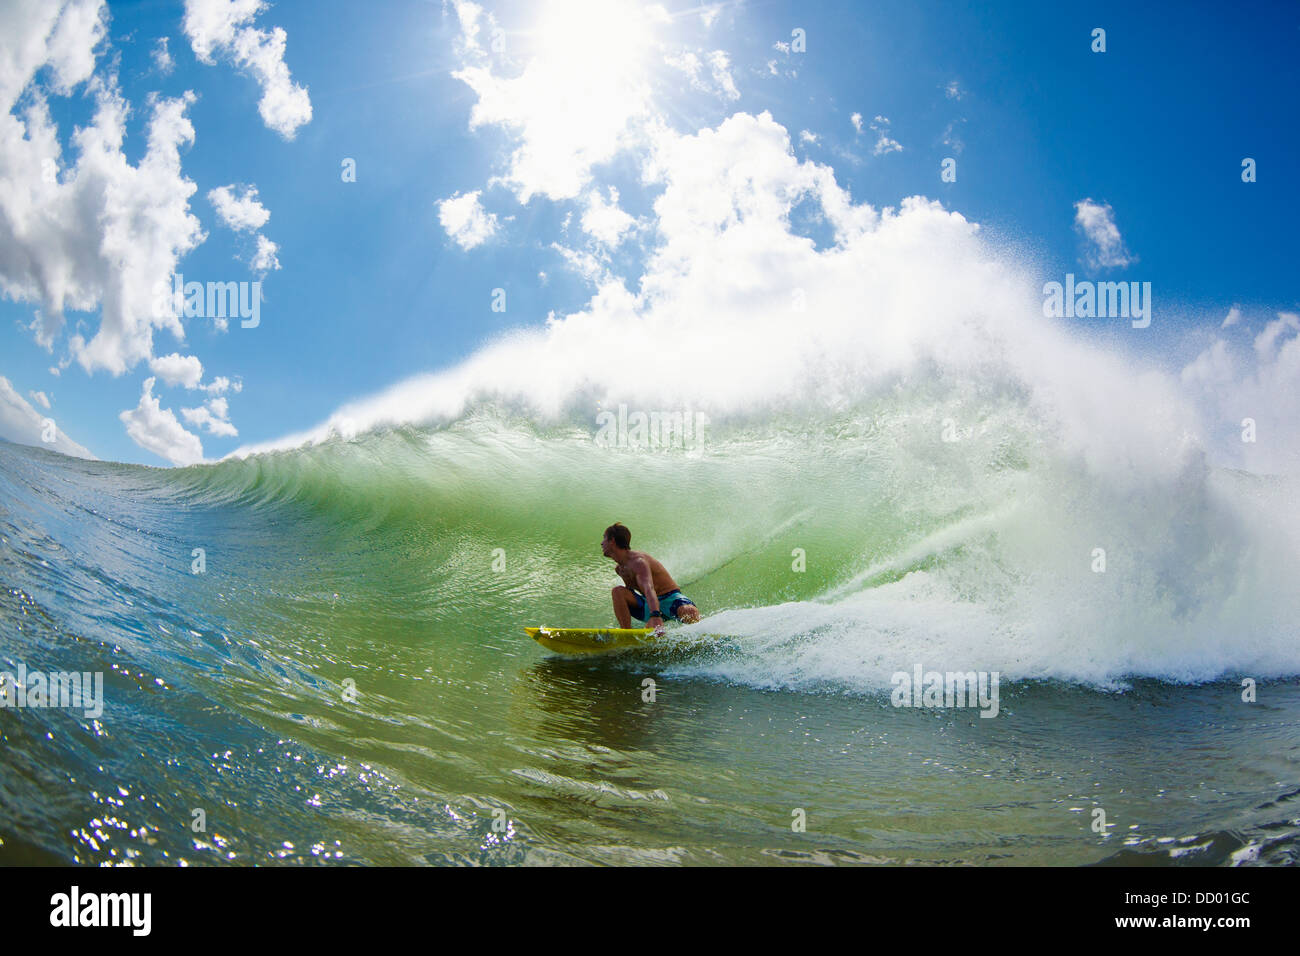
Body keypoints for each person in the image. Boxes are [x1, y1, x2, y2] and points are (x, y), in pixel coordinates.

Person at [601, 522, 700, 633]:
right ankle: (627, 634)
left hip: (669, 599)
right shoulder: (620, 569)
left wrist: (655, 616)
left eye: (604, 538)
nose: (601, 543)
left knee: (689, 611)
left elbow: (649, 588)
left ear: (612, 541)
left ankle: (701, 633)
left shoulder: (638, 562)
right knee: (617, 591)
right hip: (649, 604)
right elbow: (629, 596)